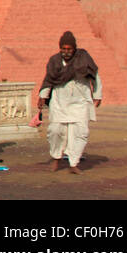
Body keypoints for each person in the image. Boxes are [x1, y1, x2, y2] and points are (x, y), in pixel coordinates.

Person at [38, 31, 101, 175]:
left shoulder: (84, 58)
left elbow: (95, 76)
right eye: (63, 49)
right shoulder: (54, 61)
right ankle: (56, 157)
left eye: (69, 49)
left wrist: (97, 95)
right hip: (59, 101)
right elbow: (48, 79)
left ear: (74, 48)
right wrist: (43, 96)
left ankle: (73, 162)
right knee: (55, 131)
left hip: (80, 101)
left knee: (80, 132)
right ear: (60, 48)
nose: (66, 52)